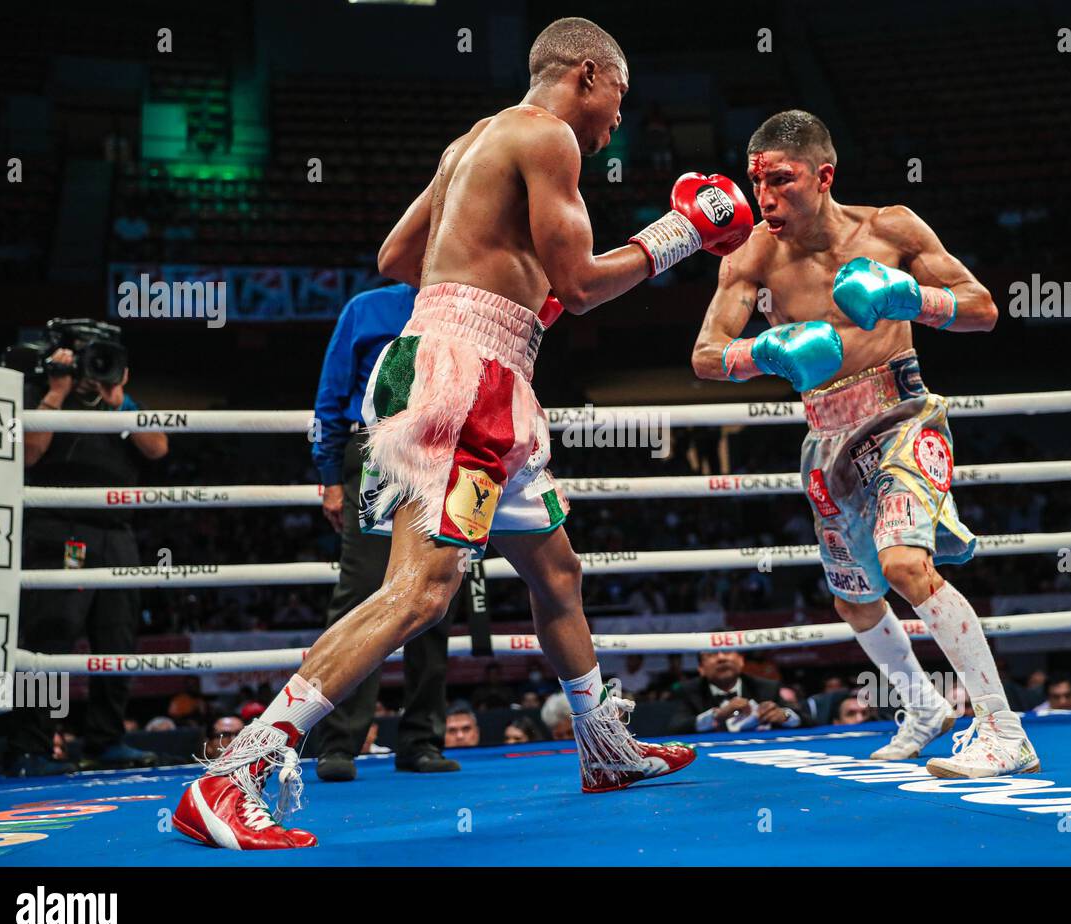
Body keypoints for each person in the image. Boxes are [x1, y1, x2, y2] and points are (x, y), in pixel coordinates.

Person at [173, 17, 751, 850]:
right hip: (465, 378)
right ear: (587, 74)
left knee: (556, 572)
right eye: (619, 98)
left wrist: (501, 283)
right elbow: (583, 286)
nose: (617, 119)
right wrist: (681, 235)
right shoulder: (549, 135)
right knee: (421, 592)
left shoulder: (472, 142)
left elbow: (398, 257)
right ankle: (236, 772)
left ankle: (602, 746)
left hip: (476, 369)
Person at [692, 110, 1039, 778]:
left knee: (905, 565)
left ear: (824, 176)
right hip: (825, 436)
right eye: (756, 182)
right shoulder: (751, 255)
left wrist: (912, 299)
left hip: (902, 415)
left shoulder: (892, 228)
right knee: (854, 596)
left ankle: (1002, 728)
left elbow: (984, 309)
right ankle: (922, 706)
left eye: (782, 181)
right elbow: (706, 355)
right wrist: (764, 350)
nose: (764, 199)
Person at [310, 283, 458, 782]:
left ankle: (420, 740)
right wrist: (330, 477)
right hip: (376, 450)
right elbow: (332, 396)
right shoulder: (367, 308)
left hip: (447, 452)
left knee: (435, 590)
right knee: (363, 591)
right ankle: (338, 741)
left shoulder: (469, 303)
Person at [8, 330, 167, 775]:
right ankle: (30, 747)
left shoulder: (121, 405)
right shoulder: (42, 396)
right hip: (62, 533)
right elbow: (29, 455)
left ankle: (106, 739)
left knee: (117, 639)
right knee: (50, 641)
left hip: (116, 533)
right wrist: (57, 391)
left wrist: (120, 400)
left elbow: (158, 448)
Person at [668, 651, 812, 735]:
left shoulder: (766, 687)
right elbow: (674, 729)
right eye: (712, 654)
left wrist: (784, 716)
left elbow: (808, 720)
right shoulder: (688, 690)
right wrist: (716, 716)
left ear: (741, 661)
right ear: (701, 668)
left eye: (727, 651)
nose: (721, 658)